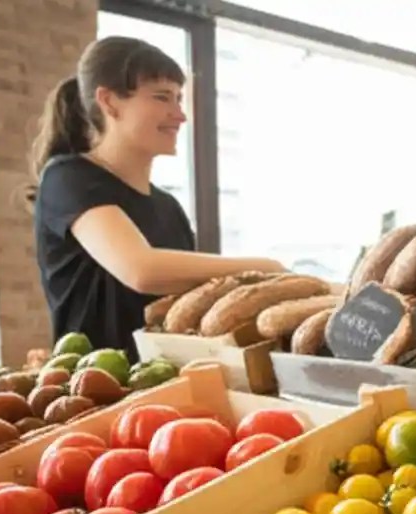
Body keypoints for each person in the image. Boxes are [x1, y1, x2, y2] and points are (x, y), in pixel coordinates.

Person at [30, 36, 284, 360]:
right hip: (99, 393)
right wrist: (266, 267)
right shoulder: (68, 177)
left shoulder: (169, 208)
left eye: (179, 99)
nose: (179, 115)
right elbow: (140, 269)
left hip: (168, 383)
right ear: (109, 102)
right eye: (162, 97)